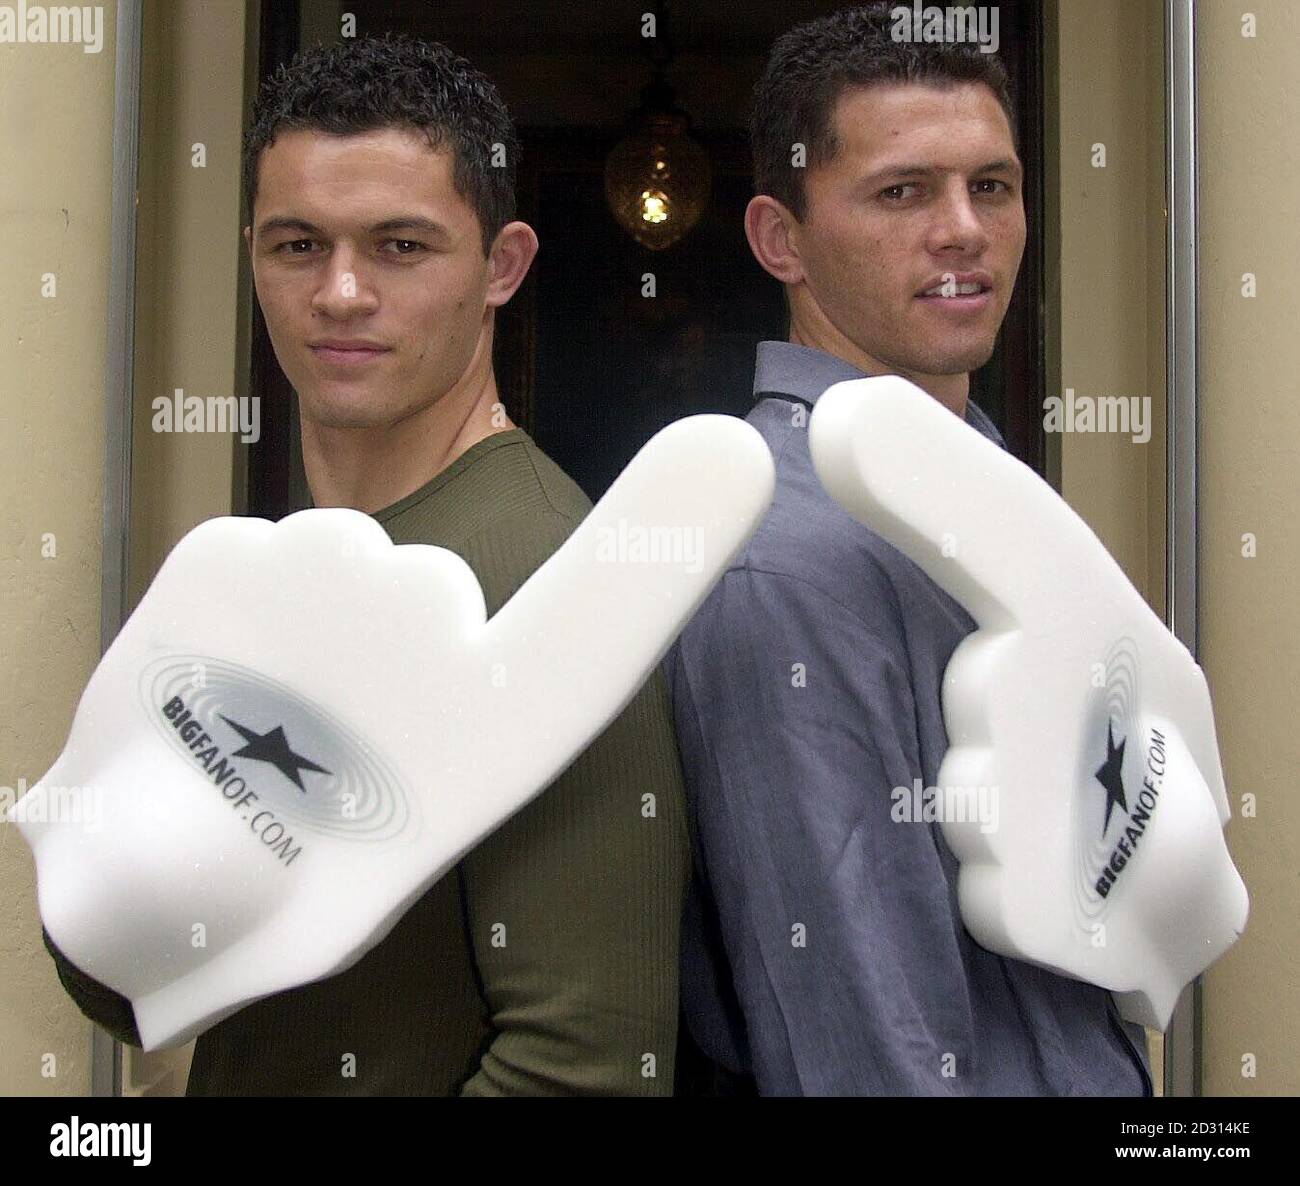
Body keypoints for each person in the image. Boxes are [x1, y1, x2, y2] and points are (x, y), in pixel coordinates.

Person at [42, 33, 689, 1096]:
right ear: (250, 249)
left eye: (399, 247)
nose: (340, 293)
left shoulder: (544, 571)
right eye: (298, 245)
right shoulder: (278, 557)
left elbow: (586, 1065)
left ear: (504, 266)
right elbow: (130, 985)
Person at [668, 5, 1152, 1095]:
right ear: (777, 239)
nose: (962, 228)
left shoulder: (989, 494)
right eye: (901, 191)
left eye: (991, 185)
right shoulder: (782, 555)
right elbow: (858, 1037)